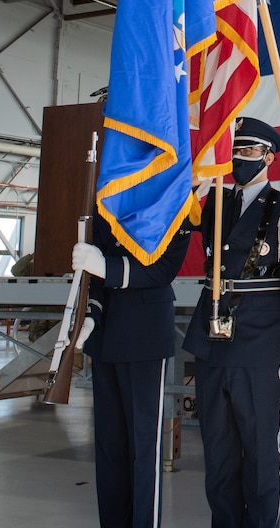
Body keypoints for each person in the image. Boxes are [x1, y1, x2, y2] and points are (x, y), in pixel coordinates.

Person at [182, 117, 280, 528]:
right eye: (236, 151)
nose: (239, 158)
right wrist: (189, 198)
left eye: (250, 152)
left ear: (270, 157)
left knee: (259, 454)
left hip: (260, 342)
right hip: (212, 340)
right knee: (217, 453)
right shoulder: (217, 198)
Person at [72, 213, 191, 528]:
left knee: (143, 450)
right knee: (110, 448)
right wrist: (90, 314)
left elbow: (164, 268)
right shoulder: (108, 195)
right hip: (105, 333)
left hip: (144, 334)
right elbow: (94, 264)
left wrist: (108, 268)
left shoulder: (171, 198)